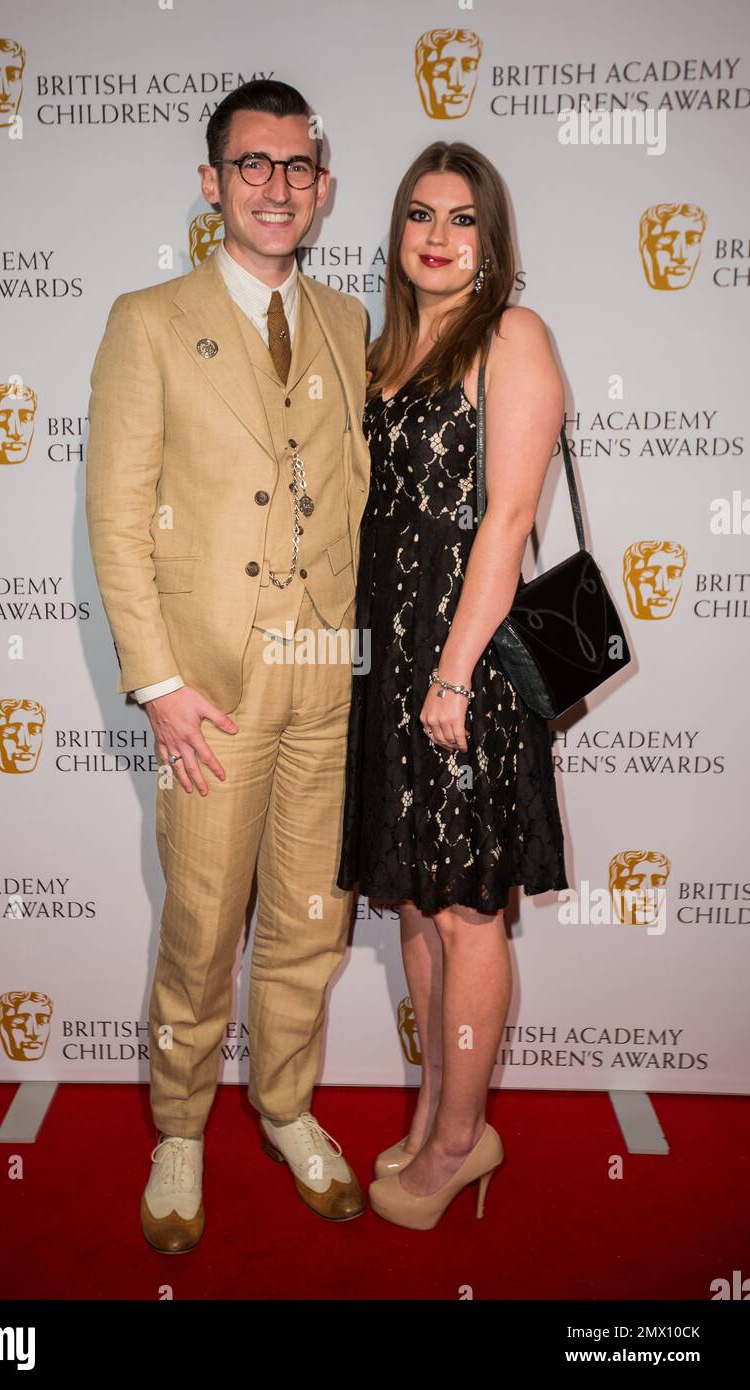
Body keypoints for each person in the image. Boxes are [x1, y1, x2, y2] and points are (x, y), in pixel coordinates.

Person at [85, 80, 371, 1253]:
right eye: (252, 165)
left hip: (328, 681)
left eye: (296, 167)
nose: (276, 186)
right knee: (202, 925)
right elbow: (114, 518)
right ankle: (181, 1127)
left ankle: (287, 1105)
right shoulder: (147, 319)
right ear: (211, 184)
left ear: (322, 187)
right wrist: (157, 686)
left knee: (312, 919)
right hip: (209, 692)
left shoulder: (351, 322)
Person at [337, 140, 569, 1231]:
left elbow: (508, 517)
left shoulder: (509, 337)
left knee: (469, 916)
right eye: (420, 214)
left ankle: (462, 1140)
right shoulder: (383, 353)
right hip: (391, 671)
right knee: (419, 915)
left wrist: (451, 675)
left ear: (490, 240)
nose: (436, 234)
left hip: (457, 668)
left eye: (461, 217)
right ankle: (440, 1105)